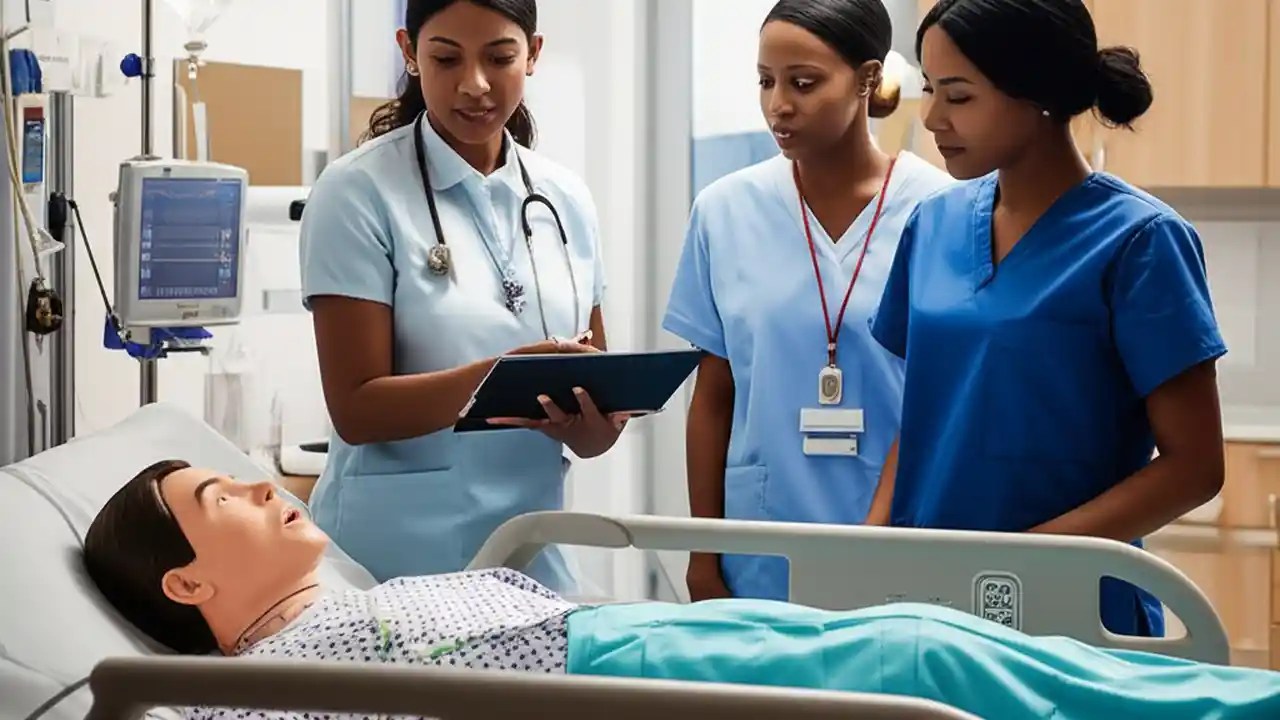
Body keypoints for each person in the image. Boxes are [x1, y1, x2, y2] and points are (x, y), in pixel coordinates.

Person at [82, 461, 1280, 720]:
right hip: (597, 682)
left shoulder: (338, 607)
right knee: (925, 663)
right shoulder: (219, 695)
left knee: (913, 628)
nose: (256, 482)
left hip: (609, 633)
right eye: (215, 497)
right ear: (186, 579)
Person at [866, 0, 1227, 639]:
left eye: (960, 96)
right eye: (930, 89)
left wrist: (1023, 562)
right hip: (924, 596)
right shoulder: (932, 226)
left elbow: (1193, 468)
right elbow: (924, 415)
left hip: (1072, 604)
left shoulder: (1140, 241)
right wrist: (866, 555)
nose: (932, 117)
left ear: (1039, 94)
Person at [299, 0, 631, 593]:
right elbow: (355, 409)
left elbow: (595, 426)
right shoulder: (356, 193)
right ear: (409, 53)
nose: (474, 85)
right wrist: (505, 378)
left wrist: (590, 422)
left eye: (500, 57)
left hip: (530, 558)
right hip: (393, 565)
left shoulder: (565, 200)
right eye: (446, 58)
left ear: (533, 54)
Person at [662, 0, 955, 603]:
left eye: (803, 83)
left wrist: (879, 541)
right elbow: (713, 399)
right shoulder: (724, 211)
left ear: (868, 79)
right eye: (766, 81)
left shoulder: (940, 209)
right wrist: (703, 555)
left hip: (902, 547)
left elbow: (945, 398)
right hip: (760, 546)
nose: (778, 104)